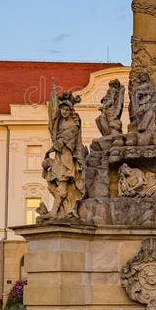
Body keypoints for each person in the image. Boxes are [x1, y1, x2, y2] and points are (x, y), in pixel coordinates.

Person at [42, 88, 86, 217]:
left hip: (67, 160)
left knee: (62, 186)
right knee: (52, 182)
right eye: (62, 109)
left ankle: (55, 212)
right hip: (59, 158)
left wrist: (49, 150)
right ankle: (63, 209)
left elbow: (63, 141)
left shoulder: (73, 125)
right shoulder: (59, 122)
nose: (64, 111)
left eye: (67, 109)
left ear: (70, 110)